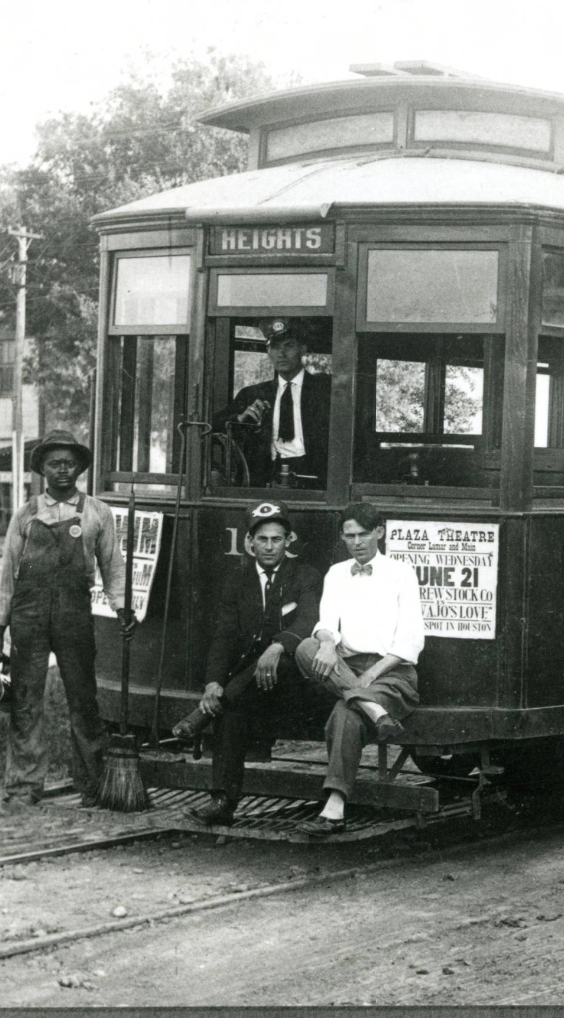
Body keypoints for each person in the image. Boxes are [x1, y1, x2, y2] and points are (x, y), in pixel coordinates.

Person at [0, 430, 135, 809]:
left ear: (79, 467)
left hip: (74, 614)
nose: (63, 470)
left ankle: (92, 782)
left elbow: (113, 566)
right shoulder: (26, 513)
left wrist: (121, 607)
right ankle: (23, 786)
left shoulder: (97, 512)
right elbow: (7, 576)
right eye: (55, 463)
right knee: (25, 701)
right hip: (28, 615)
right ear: (43, 469)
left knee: (83, 699)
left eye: (69, 463)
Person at [182, 501, 324, 826]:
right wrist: (213, 683)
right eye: (263, 540)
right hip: (248, 686)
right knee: (230, 709)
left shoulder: (305, 576)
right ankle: (222, 802)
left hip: (294, 681)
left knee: (278, 664)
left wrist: (278, 646)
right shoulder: (237, 580)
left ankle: (202, 715)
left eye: (277, 539)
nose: (270, 546)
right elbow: (224, 636)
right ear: (250, 543)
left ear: (289, 540)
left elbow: (308, 620)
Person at [291, 502, 425, 838]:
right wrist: (324, 642)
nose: (357, 542)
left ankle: (334, 808)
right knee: (306, 647)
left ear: (379, 532)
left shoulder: (401, 573)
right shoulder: (337, 572)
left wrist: (370, 677)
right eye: (349, 535)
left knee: (344, 710)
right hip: (344, 668)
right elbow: (325, 624)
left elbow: (410, 640)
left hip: (391, 674)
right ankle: (370, 708)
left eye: (364, 534)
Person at [212, 318, 331, 490]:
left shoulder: (325, 391)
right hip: (265, 481)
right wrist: (239, 418)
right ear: (268, 351)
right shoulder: (253, 394)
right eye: (274, 347)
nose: (281, 353)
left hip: (315, 482)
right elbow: (212, 424)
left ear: (303, 349)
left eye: (289, 345)